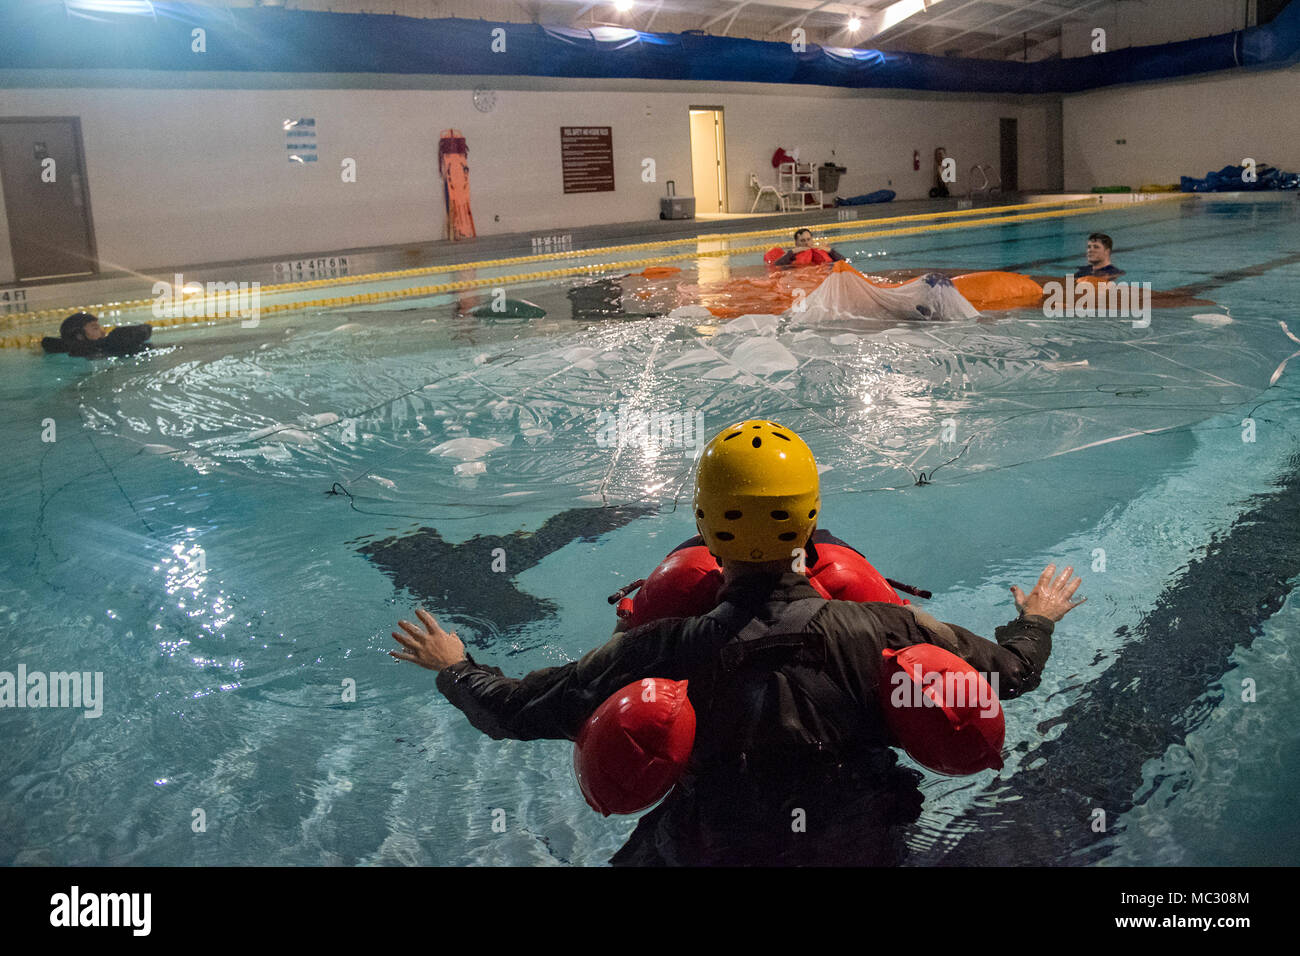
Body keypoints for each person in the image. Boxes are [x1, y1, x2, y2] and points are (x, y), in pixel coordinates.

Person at [390, 419, 1084, 866]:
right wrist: (1039, 617)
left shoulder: (658, 650)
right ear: (812, 523)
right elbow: (1013, 672)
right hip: (861, 847)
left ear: (705, 528)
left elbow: (514, 712)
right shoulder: (889, 632)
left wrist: (455, 667)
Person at [41, 312, 153, 358]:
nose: (103, 332)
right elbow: (144, 330)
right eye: (95, 328)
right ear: (79, 336)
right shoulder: (108, 344)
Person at [770, 228, 845, 267]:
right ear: (796, 243)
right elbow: (777, 265)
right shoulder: (792, 255)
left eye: (808, 239)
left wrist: (830, 251)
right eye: (802, 240)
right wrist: (792, 252)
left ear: (812, 240)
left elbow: (843, 260)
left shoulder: (822, 250)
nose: (806, 243)